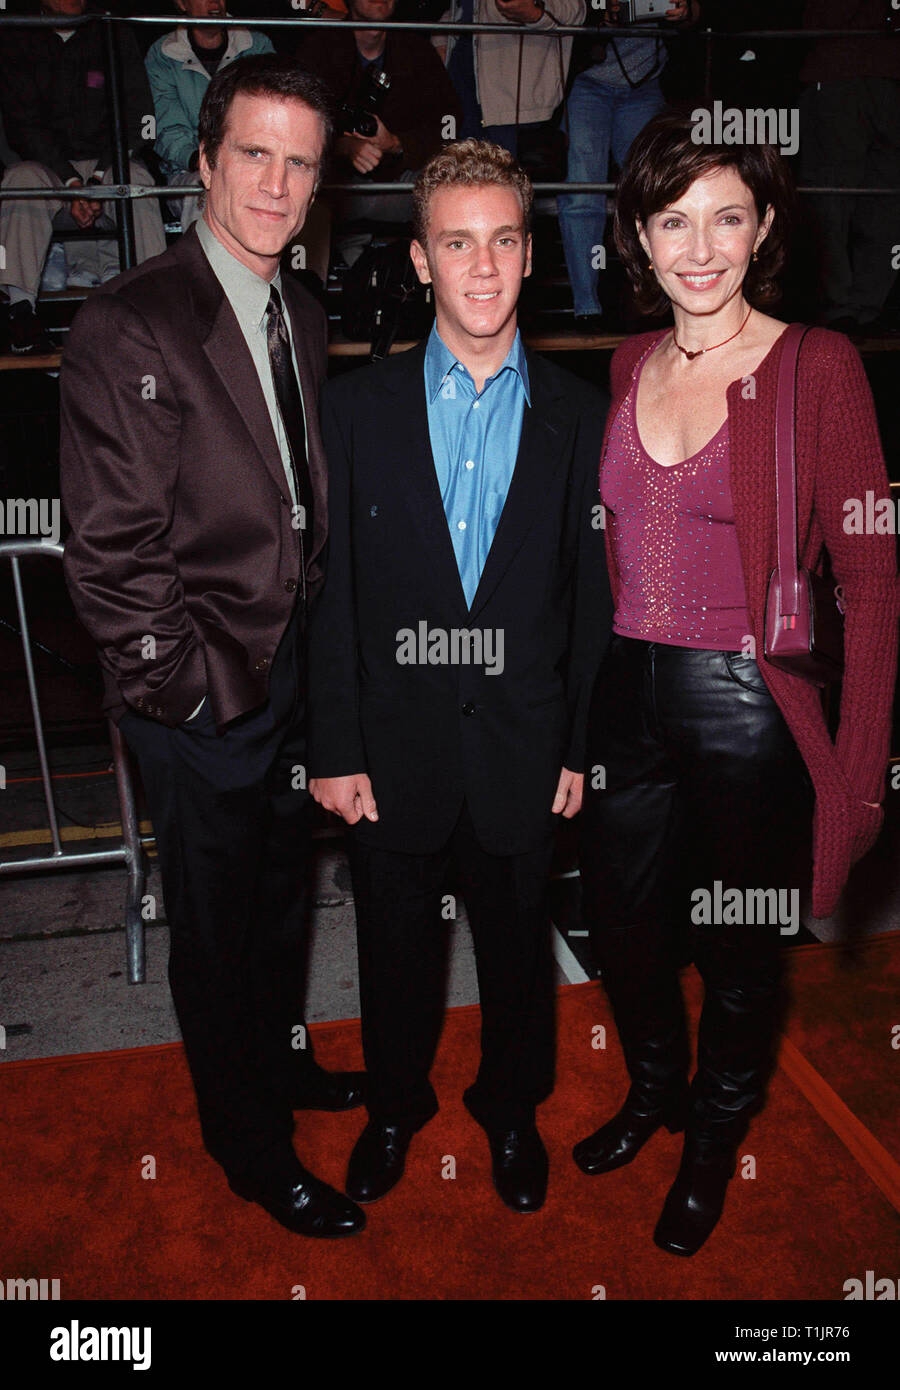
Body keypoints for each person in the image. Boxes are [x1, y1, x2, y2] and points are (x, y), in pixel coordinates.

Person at [575, 108, 898, 1256]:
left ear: (763, 229)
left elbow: (873, 579)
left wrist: (858, 783)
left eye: (726, 217)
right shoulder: (627, 361)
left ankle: (715, 1134)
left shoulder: (817, 365)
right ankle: (655, 1087)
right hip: (628, 686)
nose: (699, 246)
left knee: (741, 943)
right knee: (623, 925)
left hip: (748, 700)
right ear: (640, 238)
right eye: (673, 220)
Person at [60, 54, 367, 1240]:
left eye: (300, 162)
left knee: (285, 902)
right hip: (202, 700)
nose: (277, 185)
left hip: (286, 676)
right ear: (203, 160)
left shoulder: (302, 307)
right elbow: (112, 555)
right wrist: (191, 698)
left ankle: (280, 1062)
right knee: (222, 925)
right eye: (254, 154)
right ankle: (250, 1147)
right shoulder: (130, 320)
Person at [308, 139, 611, 1214]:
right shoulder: (355, 410)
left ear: (531, 255)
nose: (482, 268)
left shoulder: (582, 412)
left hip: (526, 748)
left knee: (520, 958)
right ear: (423, 260)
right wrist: (333, 748)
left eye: (503, 241)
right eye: (456, 243)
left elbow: (590, 602)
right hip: (393, 749)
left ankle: (512, 1109)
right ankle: (395, 1110)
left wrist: (577, 744)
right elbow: (330, 592)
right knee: (393, 952)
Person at [0, 0, 166, 353]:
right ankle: (19, 311)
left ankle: (156, 311)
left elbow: (139, 113)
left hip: (108, 163)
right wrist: (70, 182)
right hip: (49, 165)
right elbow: (21, 124)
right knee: (18, 180)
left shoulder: (112, 29)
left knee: (139, 183)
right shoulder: (18, 35)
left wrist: (97, 178)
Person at [557, 0, 698, 330]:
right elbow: (558, 12)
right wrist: (597, 14)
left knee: (657, 193)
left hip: (647, 84)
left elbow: (703, 14)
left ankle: (660, 296)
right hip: (586, 82)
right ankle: (586, 306)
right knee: (582, 193)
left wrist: (685, 11)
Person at [297, 0, 461, 262]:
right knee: (305, 196)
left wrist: (397, 143)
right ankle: (308, 296)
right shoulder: (319, 49)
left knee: (449, 192)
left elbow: (448, 125)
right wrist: (341, 146)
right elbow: (297, 128)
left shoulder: (416, 51)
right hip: (331, 186)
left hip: (398, 183)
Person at [798, 0, 900, 333]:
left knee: (884, 201)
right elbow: (816, 19)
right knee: (832, 199)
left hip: (884, 79)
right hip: (837, 75)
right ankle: (838, 306)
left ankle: (867, 306)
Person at [145, 0, 274, 231]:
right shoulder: (163, 55)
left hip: (256, 163)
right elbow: (166, 129)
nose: (215, 2)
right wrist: (202, 161)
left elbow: (271, 116)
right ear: (182, 4)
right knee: (205, 193)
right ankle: (204, 267)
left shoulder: (257, 46)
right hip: (189, 170)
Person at [436, 0, 584, 158]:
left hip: (512, 99)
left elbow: (576, 11)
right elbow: (465, 8)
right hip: (461, 89)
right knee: (462, 172)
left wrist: (535, 12)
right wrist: (441, 36)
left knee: (503, 176)